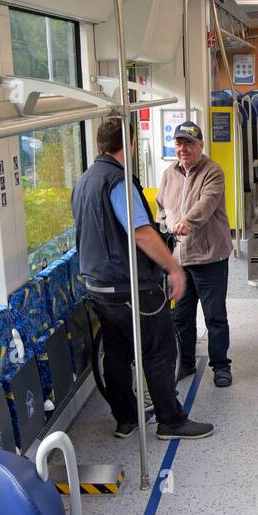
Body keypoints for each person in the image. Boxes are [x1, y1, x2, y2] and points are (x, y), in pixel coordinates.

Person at [71, 117, 213, 440]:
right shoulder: (118, 181)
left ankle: (125, 419)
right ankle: (170, 420)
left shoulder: (83, 182)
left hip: (97, 286)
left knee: (117, 353)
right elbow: (142, 234)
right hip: (129, 287)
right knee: (160, 347)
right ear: (131, 142)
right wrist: (174, 269)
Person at [155, 121, 233, 387]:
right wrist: (164, 222)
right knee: (181, 317)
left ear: (201, 145)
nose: (183, 149)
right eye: (179, 143)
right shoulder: (169, 174)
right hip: (181, 260)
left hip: (210, 257)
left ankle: (221, 366)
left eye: (189, 143)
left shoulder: (213, 172)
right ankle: (185, 362)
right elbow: (161, 205)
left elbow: (206, 203)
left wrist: (187, 221)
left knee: (214, 315)